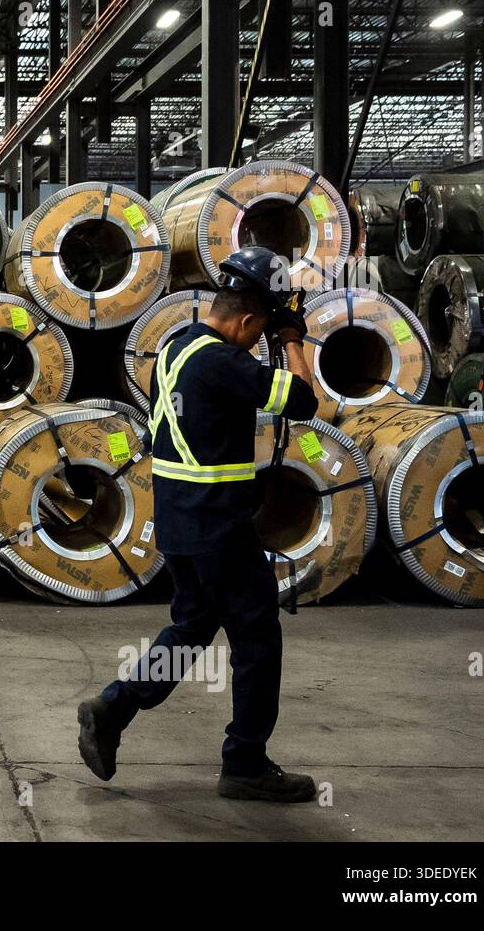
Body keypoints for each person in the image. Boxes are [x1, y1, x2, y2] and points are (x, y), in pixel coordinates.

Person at [77, 246, 320, 802]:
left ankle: (112, 709)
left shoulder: (175, 345)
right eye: (259, 331)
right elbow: (303, 401)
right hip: (219, 526)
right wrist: (290, 341)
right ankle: (245, 765)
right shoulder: (222, 361)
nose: (258, 343)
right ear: (248, 320)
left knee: (190, 630)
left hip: (181, 523)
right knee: (258, 640)